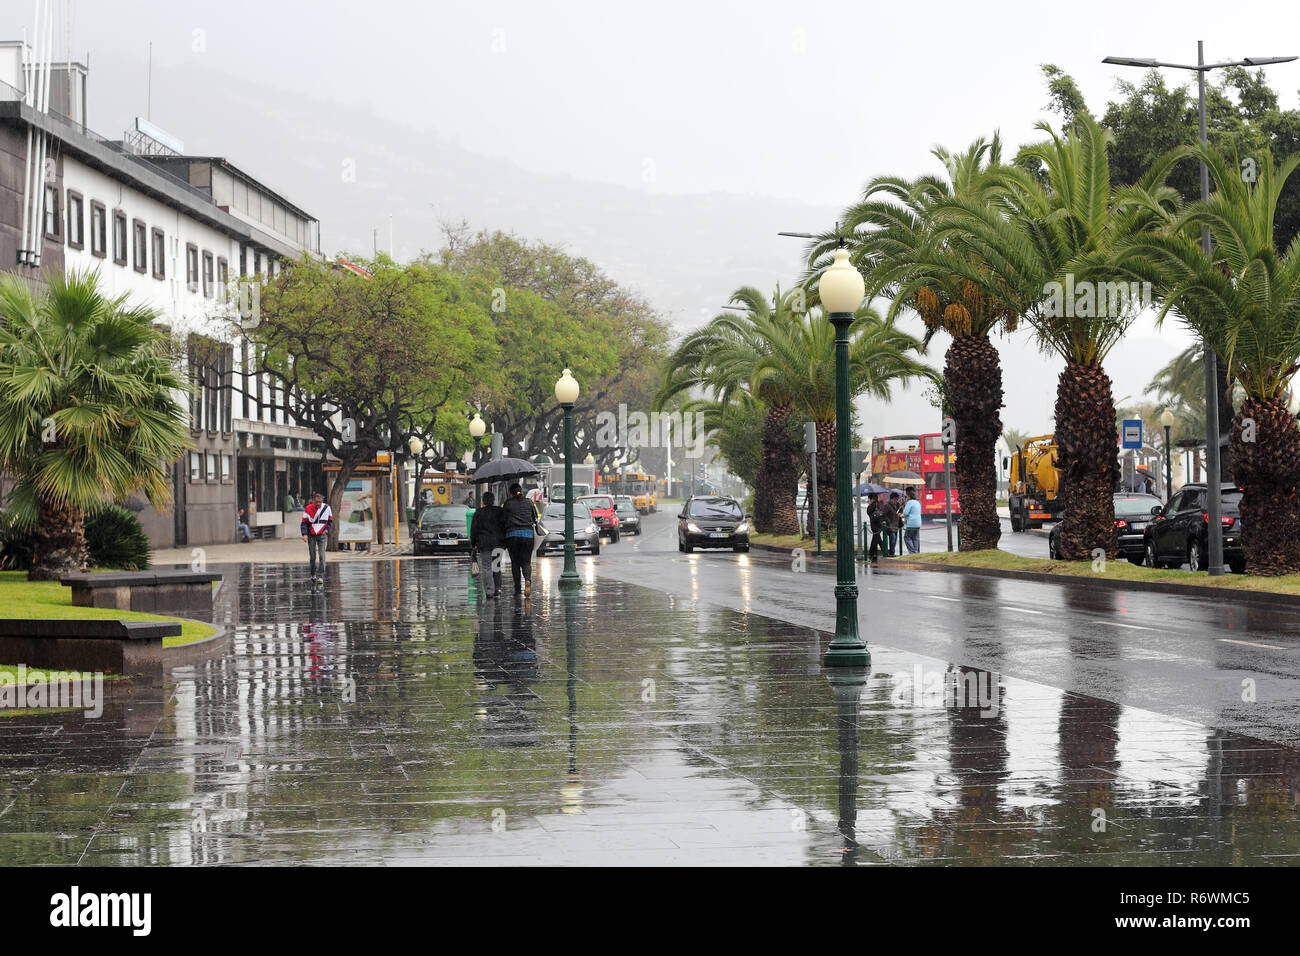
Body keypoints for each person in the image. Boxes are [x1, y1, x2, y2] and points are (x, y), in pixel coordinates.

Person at [502, 482, 539, 597]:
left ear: (511, 493)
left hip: (512, 536)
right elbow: (535, 518)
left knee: (515, 563)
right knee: (526, 562)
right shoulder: (529, 502)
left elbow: (503, 520)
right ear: (521, 491)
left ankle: (517, 590)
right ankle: (527, 580)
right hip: (528, 535)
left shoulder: (508, 504)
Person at [470, 490, 506, 598]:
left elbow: (474, 530)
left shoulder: (479, 513)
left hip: (484, 544)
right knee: (496, 566)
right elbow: (504, 526)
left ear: (483, 501)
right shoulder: (499, 511)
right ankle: (498, 589)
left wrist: (474, 544)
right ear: (493, 500)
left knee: (486, 567)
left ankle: (489, 591)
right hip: (498, 543)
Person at [301, 492, 334, 583]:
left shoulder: (327, 508)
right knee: (312, 556)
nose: (318, 504)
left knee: (322, 556)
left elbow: (330, 521)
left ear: (322, 501)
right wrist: (304, 534)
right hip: (311, 535)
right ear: (313, 501)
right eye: (316, 502)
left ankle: (320, 576)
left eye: (320, 502)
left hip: (322, 535)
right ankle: (313, 574)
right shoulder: (308, 508)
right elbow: (304, 523)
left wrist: (326, 530)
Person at [902, 486, 922, 554]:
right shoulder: (917, 502)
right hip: (918, 523)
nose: (906, 497)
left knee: (906, 537)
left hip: (911, 523)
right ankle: (916, 552)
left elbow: (905, 513)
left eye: (906, 496)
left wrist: (903, 509)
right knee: (915, 538)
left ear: (909, 496)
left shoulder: (909, 502)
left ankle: (912, 552)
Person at [865, 493, 885, 563]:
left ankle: (884, 551)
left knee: (877, 539)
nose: (869, 500)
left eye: (869, 499)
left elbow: (869, 512)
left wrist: (869, 506)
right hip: (881, 524)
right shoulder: (881, 504)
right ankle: (873, 554)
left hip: (875, 525)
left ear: (872, 499)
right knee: (875, 539)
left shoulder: (873, 505)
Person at [884, 492, 902, 556]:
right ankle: (892, 553)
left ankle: (892, 552)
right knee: (893, 539)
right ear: (891, 499)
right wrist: (888, 521)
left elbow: (900, 512)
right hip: (890, 526)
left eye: (897, 499)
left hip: (896, 526)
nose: (896, 501)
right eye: (895, 499)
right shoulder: (887, 506)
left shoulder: (898, 505)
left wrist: (901, 507)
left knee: (894, 540)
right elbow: (884, 515)